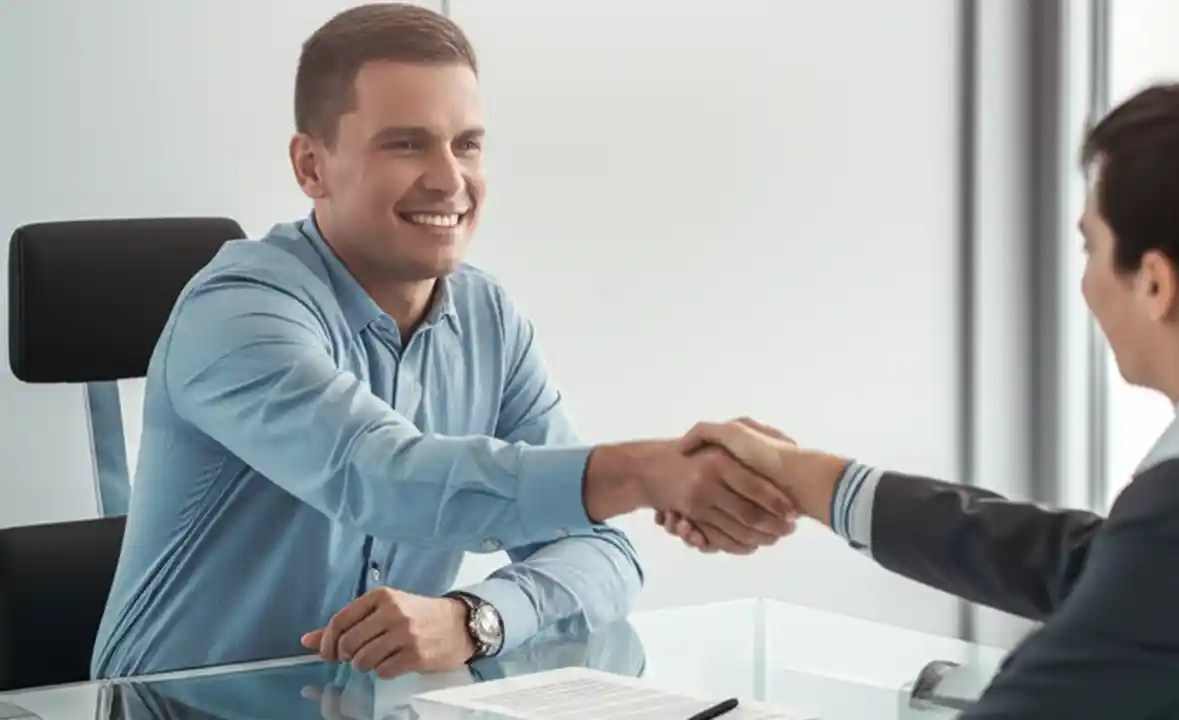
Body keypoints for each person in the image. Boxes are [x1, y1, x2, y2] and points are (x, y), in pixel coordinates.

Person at [92, 3, 797, 680]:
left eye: (467, 144)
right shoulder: (238, 310)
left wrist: (477, 616)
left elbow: (599, 550)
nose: (450, 179)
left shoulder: (489, 318)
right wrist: (647, 471)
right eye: (406, 143)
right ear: (311, 167)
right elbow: (381, 476)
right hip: (176, 710)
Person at [663, 75, 1179, 718]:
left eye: (1090, 246)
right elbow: (1085, 564)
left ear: (1155, 284)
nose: (1087, 280)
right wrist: (808, 477)